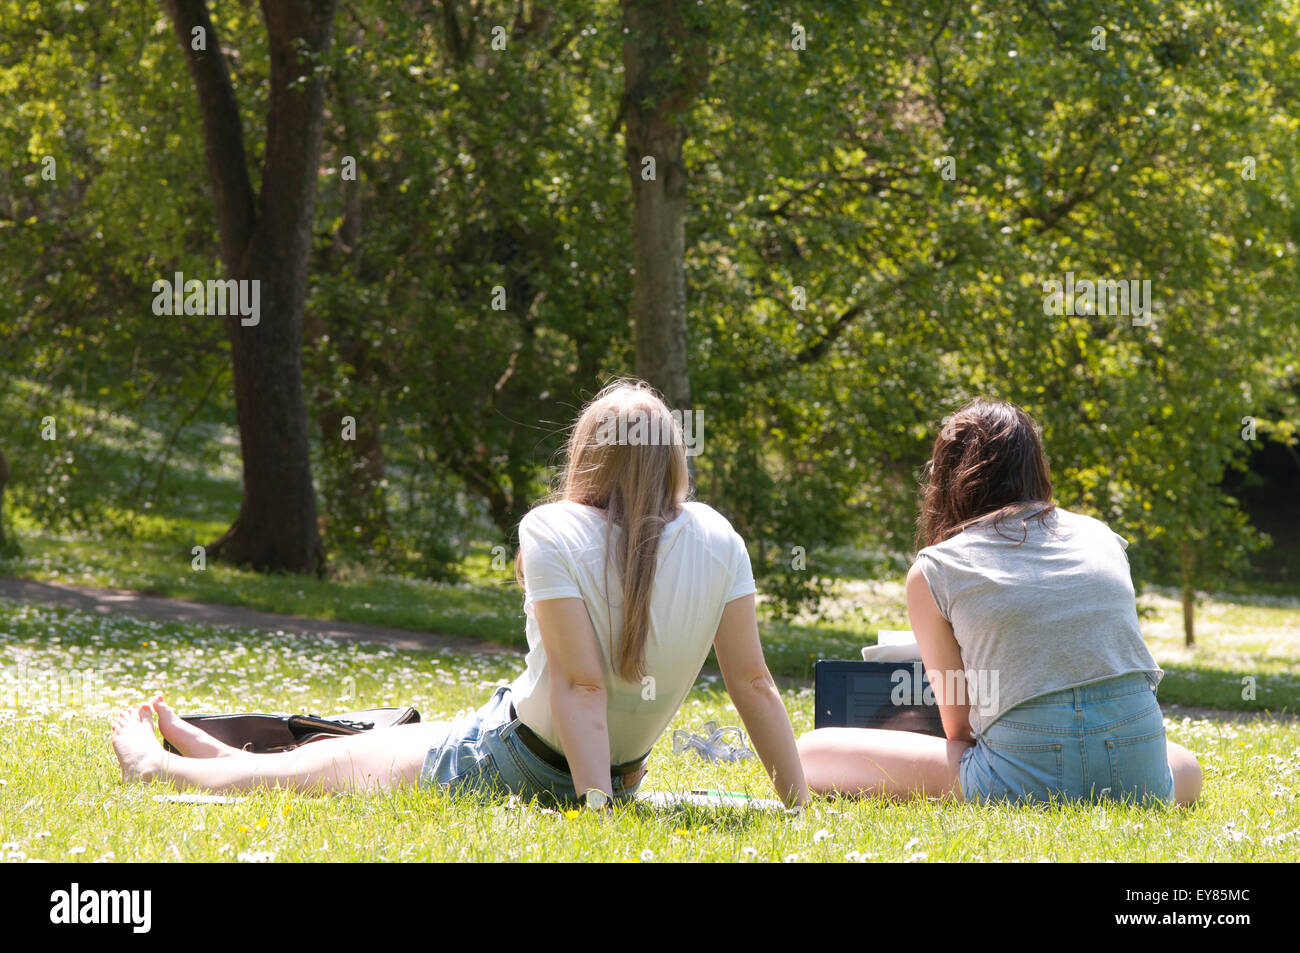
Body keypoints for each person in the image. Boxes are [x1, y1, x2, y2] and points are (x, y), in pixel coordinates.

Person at [112, 380, 809, 811]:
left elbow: (581, 685)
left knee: (342, 763)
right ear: (673, 458)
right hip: (613, 773)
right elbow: (753, 681)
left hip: (515, 759)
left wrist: (594, 813)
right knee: (367, 752)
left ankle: (163, 765)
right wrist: (799, 806)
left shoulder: (550, 528)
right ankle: (218, 753)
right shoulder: (721, 536)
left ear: (587, 454)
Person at [797, 398, 1201, 807]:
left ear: (950, 477)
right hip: (1139, 770)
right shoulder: (1102, 536)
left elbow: (959, 730)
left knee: (811, 751)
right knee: (1183, 761)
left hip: (1024, 776)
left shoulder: (936, 567)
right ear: (1035, 466)